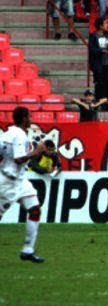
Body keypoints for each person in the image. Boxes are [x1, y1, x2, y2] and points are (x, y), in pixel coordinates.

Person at [0, 107, 50, 262]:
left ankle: (28, 250)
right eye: (29, 116)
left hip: (20, 181)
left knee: (35, 209)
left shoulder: (7, 133)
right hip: (8, 182)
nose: (31, 119)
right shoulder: (20, 135)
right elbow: (19, 159)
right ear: (23, 119)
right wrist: (37, 152)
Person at [88, 18, 108, 108]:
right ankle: (100, 104)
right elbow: (92, 49)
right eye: (105, 23)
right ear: (100, 26)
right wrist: (101, 51)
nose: (107, 25)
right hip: (98, 65)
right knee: (100, 85)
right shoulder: (93, 36)